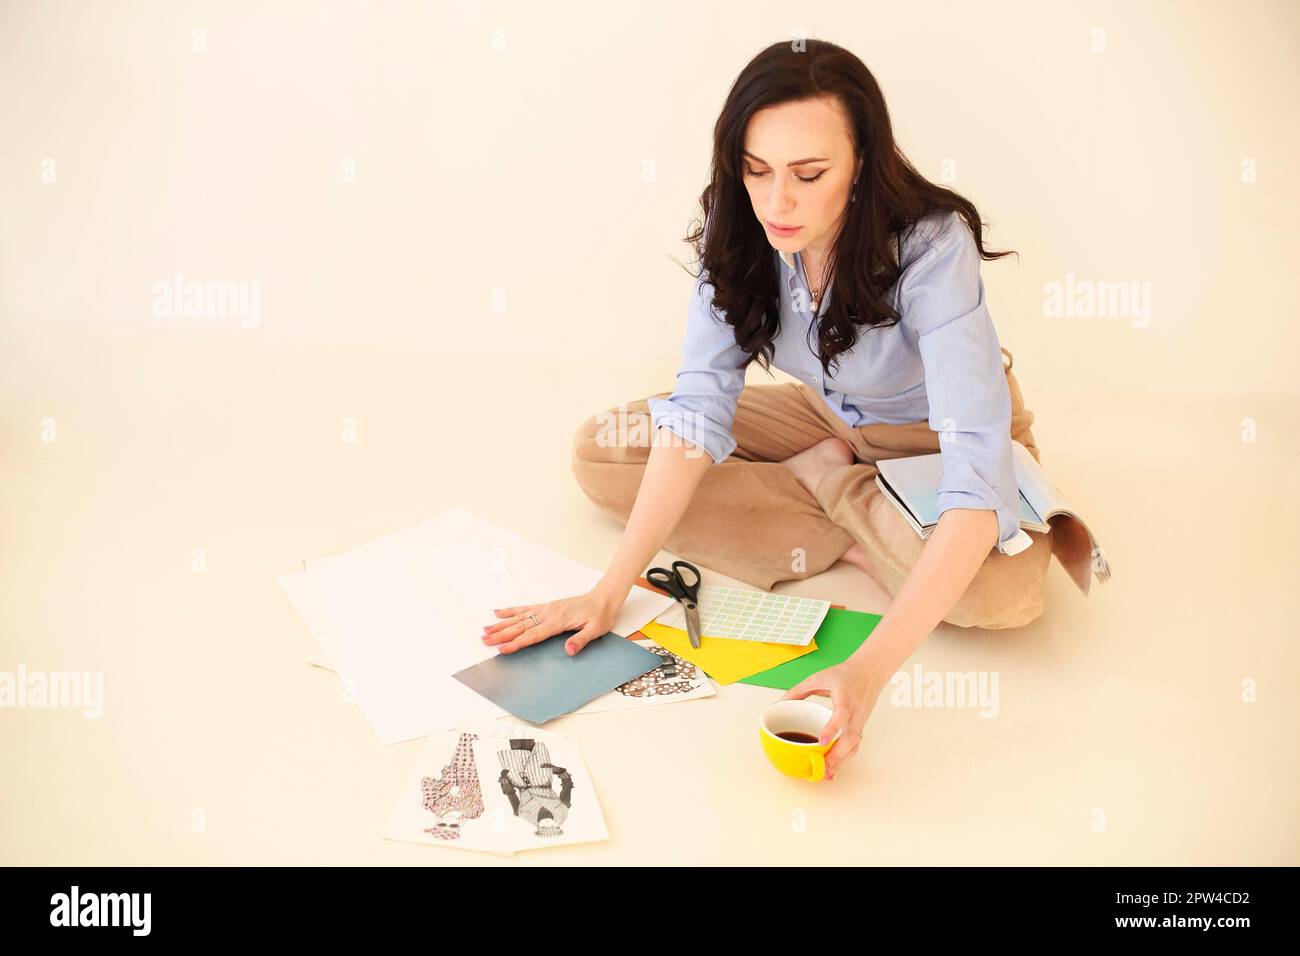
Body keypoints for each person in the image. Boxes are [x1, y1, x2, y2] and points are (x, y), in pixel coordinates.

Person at [481, 39, 1053, 781]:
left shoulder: (930, 246)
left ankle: (829, 490)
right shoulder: (741, 228)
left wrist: (864, 675)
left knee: (1000, 594)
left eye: (809, 175)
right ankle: (856, 508)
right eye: (757, 172)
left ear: (862, 165)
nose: (777, 202)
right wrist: (609, 588)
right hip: (825, 417)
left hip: (937, 437)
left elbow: (977, 473)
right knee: (603, 451)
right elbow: (696, 412)